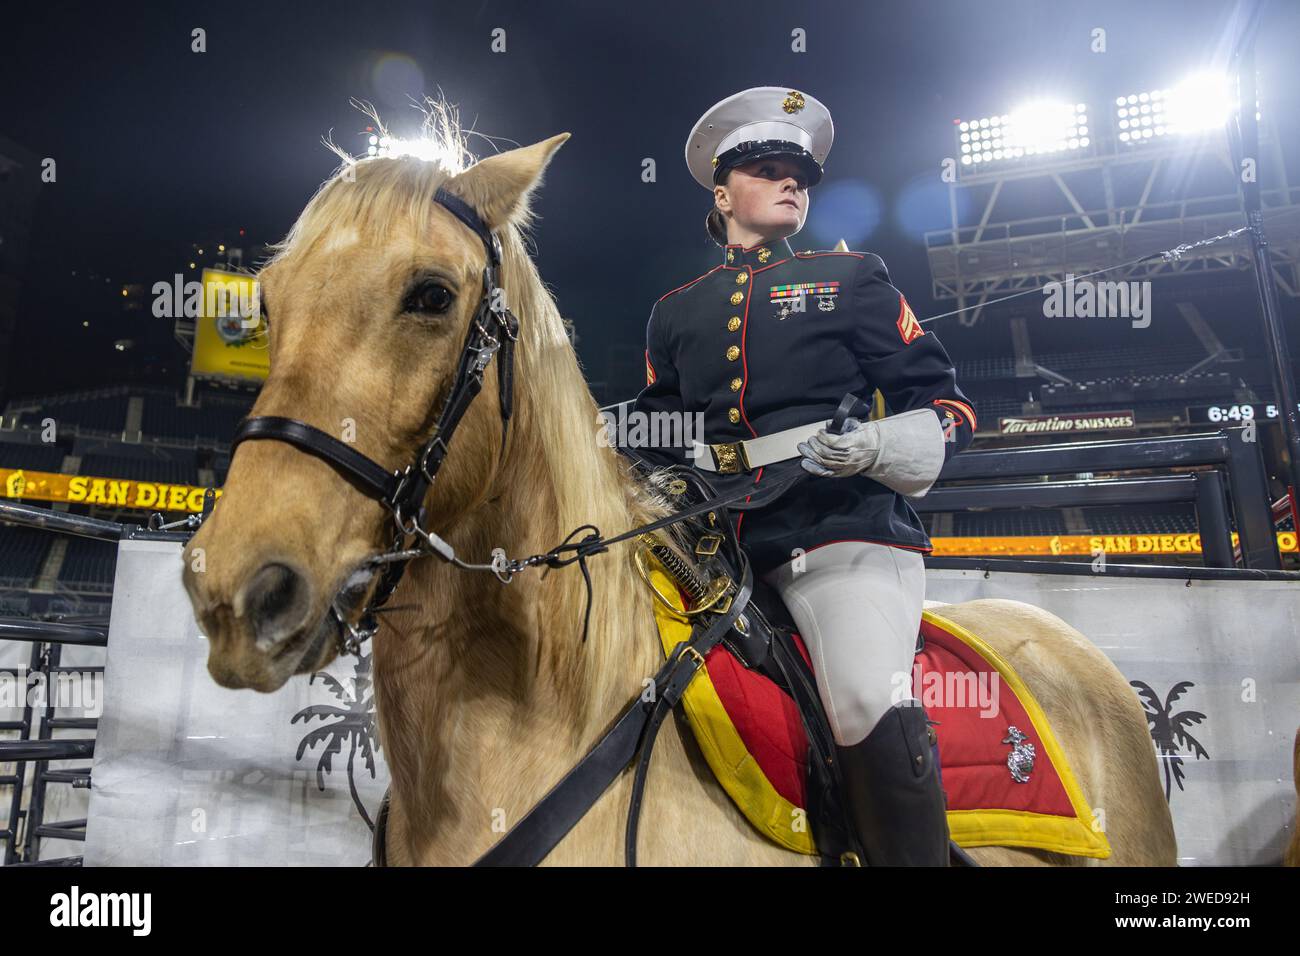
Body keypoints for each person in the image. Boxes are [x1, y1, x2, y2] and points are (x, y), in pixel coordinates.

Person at [629, 87, 978, 865]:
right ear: (723, 194)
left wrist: (881, 446)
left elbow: (948, 403)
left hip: (841, 530)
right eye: (767, 168)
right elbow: (662, 427)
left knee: (861, 696)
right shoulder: (675, 312)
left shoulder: (851, 277)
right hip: (718, 544)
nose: (793, 181)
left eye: (800, 173)